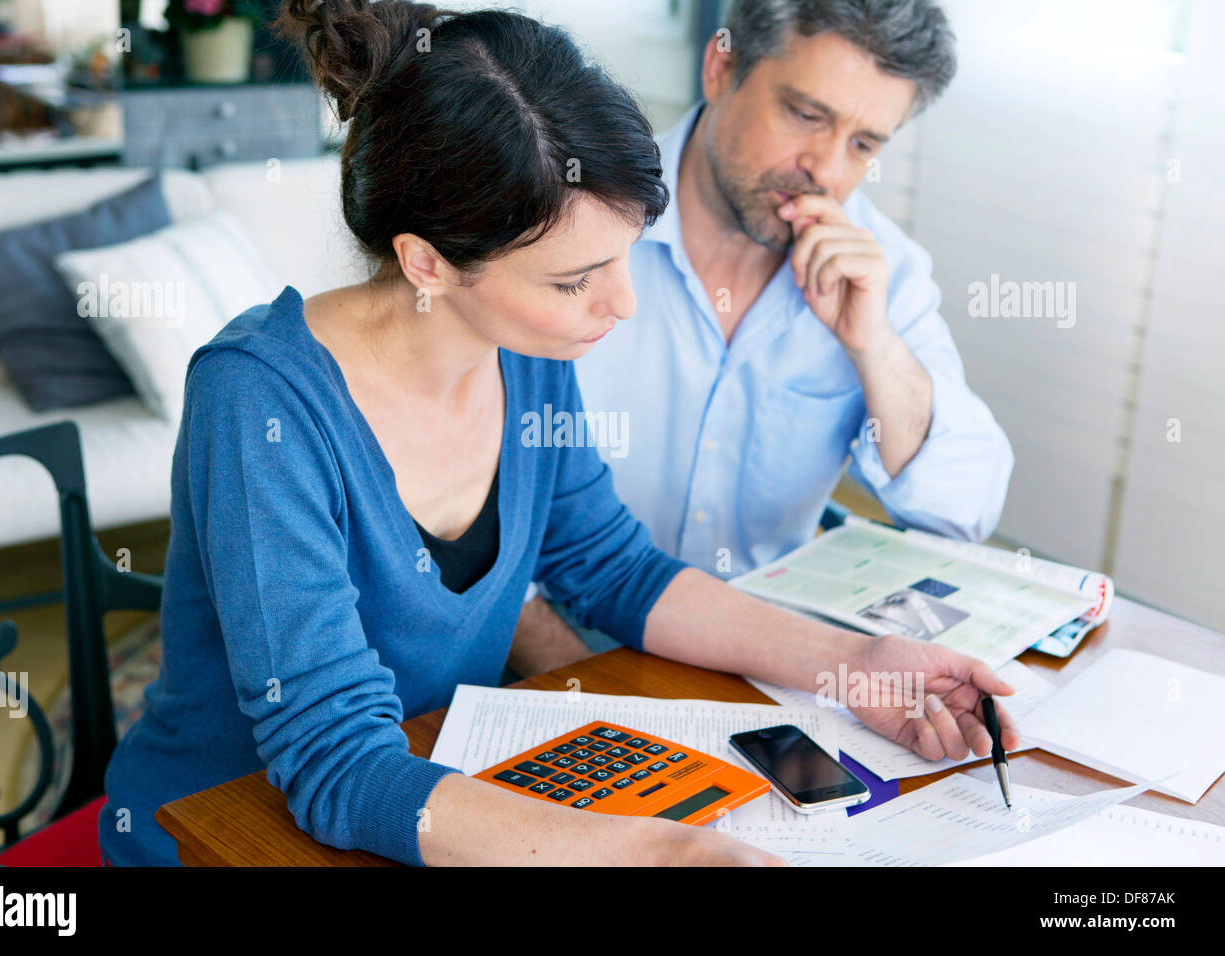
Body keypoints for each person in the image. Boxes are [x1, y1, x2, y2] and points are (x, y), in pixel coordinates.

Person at [99, 0, 1020, 868]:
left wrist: (857, 665)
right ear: (428, 261)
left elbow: (613, 568)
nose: (620, 304)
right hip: (224, 827)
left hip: (424, 793)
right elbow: (334, 760)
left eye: (623, 256)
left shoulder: (521, 347)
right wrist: (651, 850)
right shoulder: (260, 398)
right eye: (577, 280)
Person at [511, 0, 1015, 670]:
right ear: (722, 66)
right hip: (570, 665)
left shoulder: (881, 271)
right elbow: (472, 535)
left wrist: (875, 347)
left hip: (776, 666)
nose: (828, 171)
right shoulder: (559, 228)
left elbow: (964, 514)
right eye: (807, 115)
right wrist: (599, 692)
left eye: (863, 144)